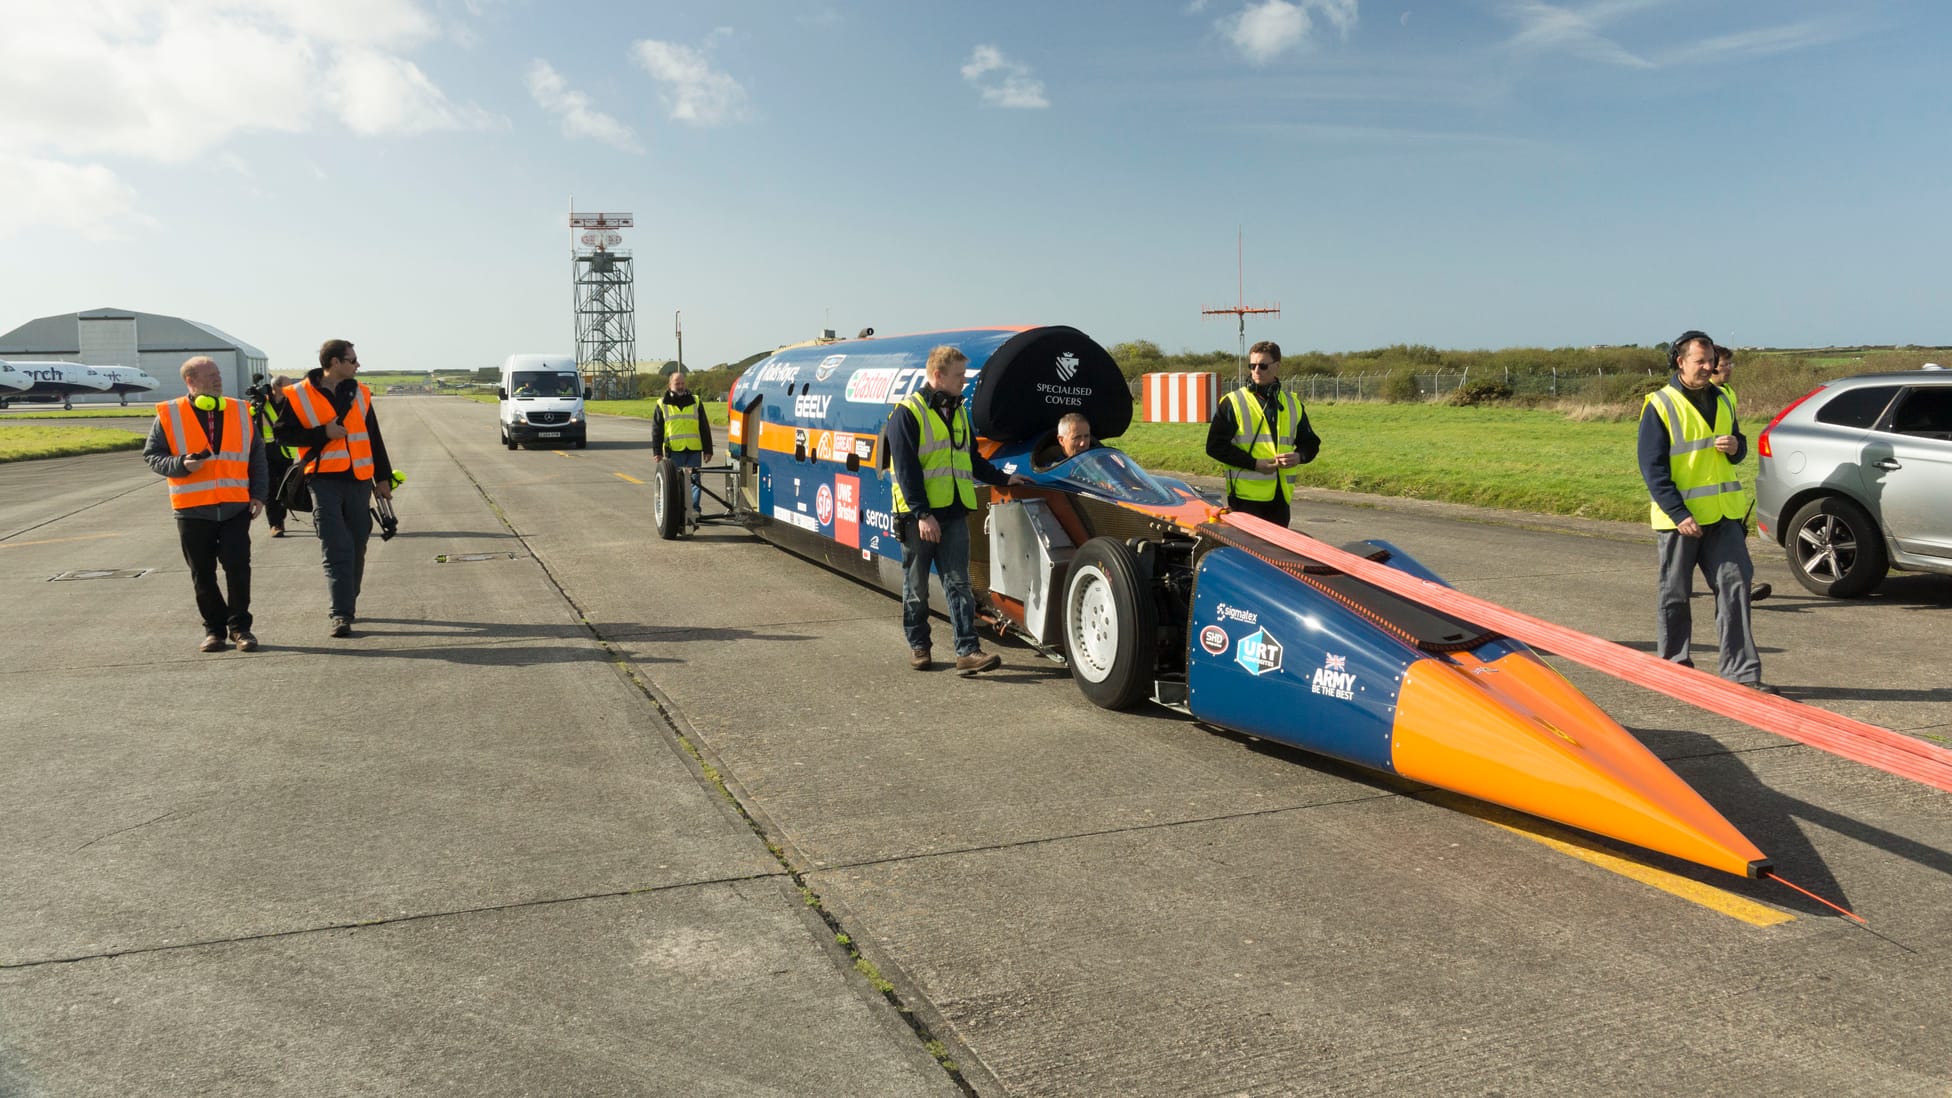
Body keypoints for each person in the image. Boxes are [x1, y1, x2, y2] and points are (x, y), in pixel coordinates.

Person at [1639, 330, 1775, 693]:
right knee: (1675, 594)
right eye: (1700, 360)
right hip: (1680, 520)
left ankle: (1741, 676)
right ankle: (1674, 668)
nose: (1707, 366)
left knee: (1736, 586)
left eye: (1710, 360)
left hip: (1724, 517)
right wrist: (1678, 512)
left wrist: (1736, 447)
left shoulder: (1725, 397)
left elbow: (1739, 447)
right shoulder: (1660, 404)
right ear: (1680, 362)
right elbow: (1652, 468)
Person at [887, 345, 1028, 675]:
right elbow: (906, 470)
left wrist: (1004, 478)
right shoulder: (908, 413)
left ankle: (968, 651)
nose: (964, 382)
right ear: (938, 376)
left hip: (953, 513)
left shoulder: (959, 413)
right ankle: (920, 646)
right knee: (916, 588)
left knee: (959, 584)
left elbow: (972, 460)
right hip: (917, 518)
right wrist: (923, 514)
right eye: (959, 376)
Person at [143, 356, 268, 652]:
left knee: (238, 568)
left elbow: (257, 456)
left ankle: (241, 629)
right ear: (190, 381)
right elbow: (152, 456)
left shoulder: (240, 410)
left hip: (235, 506)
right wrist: (181, 464)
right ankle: (214, 630)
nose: (217, 379)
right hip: (191, 508)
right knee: (202, 572)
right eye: (209, 375)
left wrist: (259, 494)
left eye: (218, 373)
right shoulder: (169, 414)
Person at [274, 339, 395, 638]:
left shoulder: (361, 393)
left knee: (357, 542)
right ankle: (340, 613)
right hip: (323, 479)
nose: (357, 365)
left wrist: (383, 479)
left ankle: (347, 599)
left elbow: (373, 437)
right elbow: (283, 435)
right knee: (335, 545)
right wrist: (321, 434)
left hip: (358, 479)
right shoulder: (299, 394)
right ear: (334, 363)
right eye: (352, 360)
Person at [1205, 340, 1321, 527]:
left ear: (1276, 367)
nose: (1256, 370)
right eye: (1252, 365)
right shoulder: (1233, 402)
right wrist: (1254, 464)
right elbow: (1215, 447)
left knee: (1275, 554)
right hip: (1245, 498)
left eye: (1263, 365)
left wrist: (1298, 456)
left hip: (1280, 497)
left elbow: (1311, 443)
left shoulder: (1292, 403)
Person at [1709, 345, 1771, 602]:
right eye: (1725, 365)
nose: (1729, 369)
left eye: (1731, 365)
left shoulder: (1727, 394)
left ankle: (1743, 585)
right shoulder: (1701, 397)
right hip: (1697, 486)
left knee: (1732, 537)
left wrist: (1736, 447)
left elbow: (1737, 434)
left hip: (1725, 483)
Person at [650, 370, 713, 512]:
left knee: (695, 482)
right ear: (670, 385)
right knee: (675, 484)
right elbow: (657, 430)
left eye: (682, 383)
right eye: (677, 383)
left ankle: (693, 512)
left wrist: (708, 450)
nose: (680, 386)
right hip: (674, 451)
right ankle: (677, 513)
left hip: (694, 450)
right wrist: (657, 452)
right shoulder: (662, 404)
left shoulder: (695, 401)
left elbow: (704, 427)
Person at [249, 375, 296, 537]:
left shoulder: (292, 403)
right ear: (276, 387)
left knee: (285, 489)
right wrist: (256, 405)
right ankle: (275, 524)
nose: (291, 388)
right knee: (270, 488)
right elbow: (252, 419)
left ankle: (280, 518)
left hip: (286, 451)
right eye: (287, 385)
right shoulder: (262, 402)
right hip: (266, 451)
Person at [1033, 412, 1098, 469]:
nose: (1083, 444)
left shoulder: (1097, 459)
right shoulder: (1051, 465)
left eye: (1086, 436)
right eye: (1077, 437)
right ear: (1061, 440)